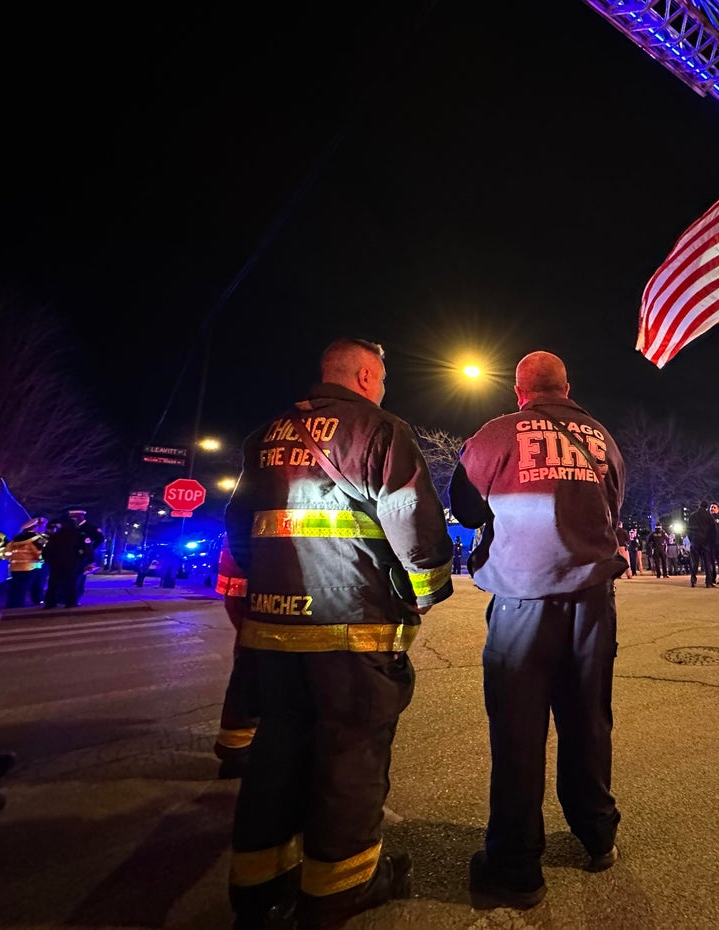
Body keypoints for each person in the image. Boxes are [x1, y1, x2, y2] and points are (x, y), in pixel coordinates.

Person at [223, 337, 454, 930]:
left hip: (273, 627)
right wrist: (427, 590)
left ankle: (258, 883)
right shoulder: (378, 429)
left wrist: (262, 584)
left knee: (277, 746)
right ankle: (341, 885)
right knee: (350, 749)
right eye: (379, 379)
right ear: (363, 374)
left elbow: (239, 523)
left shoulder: (268, 434)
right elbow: (411, 518)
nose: (382, 389)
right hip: (353, 623)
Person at [447, 350, 626, 910]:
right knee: (588, 720)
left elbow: (467, 511)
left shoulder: (495, 435)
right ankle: (597, 835)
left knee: (519, 733)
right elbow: (613, 504)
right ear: (567, 386)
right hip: (593, 602)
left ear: (517, 390)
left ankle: (516, 868)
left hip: (522, 603)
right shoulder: (602, 437)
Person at [212, 535, 258, 781]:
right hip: (282, 585)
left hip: (245, 585)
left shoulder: (250, 497)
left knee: (249, 659)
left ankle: (236, 747)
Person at [42, 515, 84, 609]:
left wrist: (50, 561)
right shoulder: (78, 536)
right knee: (70, 583)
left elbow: (46, 551)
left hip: (56, 564)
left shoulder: (55, 536)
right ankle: (70, 602)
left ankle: (50, 603)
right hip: (71, 564)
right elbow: (85, 551)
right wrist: (80, 561)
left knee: (53, 584)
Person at [5, 517, 48, 608]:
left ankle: (13, 603)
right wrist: (42, 561)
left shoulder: (15, 539)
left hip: (15, 566)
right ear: (35, 528)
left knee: (16, 586)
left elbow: (6, 553)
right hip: (31, 566)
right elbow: (40, 553)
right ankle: (36, 600)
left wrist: (12, 559)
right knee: (35, 584)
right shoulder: (36, 539)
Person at [68, 508, 105, 603]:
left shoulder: (90, 528)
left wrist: (90, 548)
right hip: (71, 556)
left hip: (83, 557)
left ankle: (76, 597)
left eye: (74, 518)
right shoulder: (71, 528)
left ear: (80, 517)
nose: (73, 520)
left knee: (79, 578)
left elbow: (100, 539)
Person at [686, 499, 717, 588]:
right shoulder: (709, 517)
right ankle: (708, 582)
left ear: (699, 506)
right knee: (707, 562)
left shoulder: (692, 516)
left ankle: (693, 580)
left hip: (695, 541)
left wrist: (691, 539)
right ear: (707, 507)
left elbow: (689, 530)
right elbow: (713, 531)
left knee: (694, 562)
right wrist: (712, 542)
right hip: (706, 542)